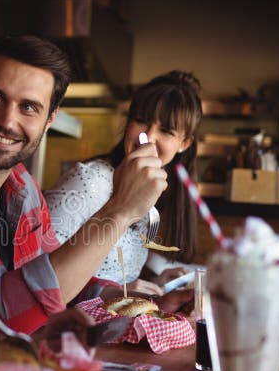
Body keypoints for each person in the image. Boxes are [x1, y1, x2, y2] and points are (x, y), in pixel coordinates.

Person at [0, 36, 192, 335]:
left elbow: (65, 285)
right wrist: (120, 211)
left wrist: (148, 305)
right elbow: (1, 314)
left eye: (29, 107)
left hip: (3, 368)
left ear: (50, 119)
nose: (7, 121)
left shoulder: (23, 186)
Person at [45, 71, 202, 295]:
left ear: (184, 143)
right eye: (141, 121)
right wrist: (117, 292)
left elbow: (116, 273)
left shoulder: (150, 194)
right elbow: (40, 277)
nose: (147, 137)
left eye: (166, 131)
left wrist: (157, 283)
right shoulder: (89, 181)